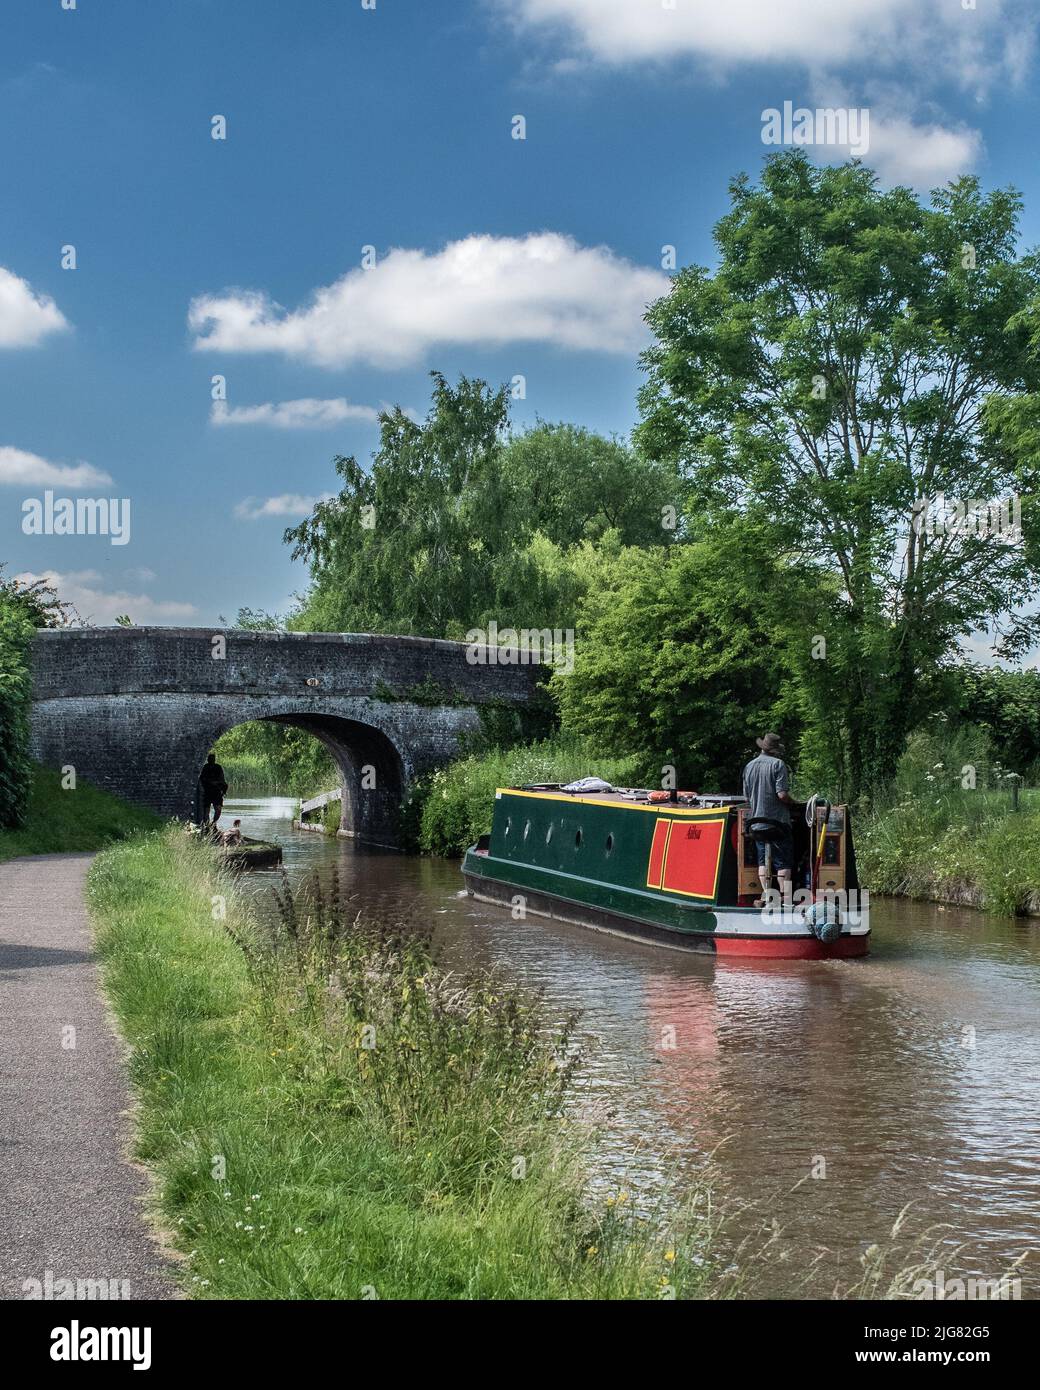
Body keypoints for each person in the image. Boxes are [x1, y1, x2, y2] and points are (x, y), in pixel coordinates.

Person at [742, 733, 796, 908]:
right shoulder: (778, 765)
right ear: (775, 750)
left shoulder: (749, 766)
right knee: (783, 861)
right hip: (777, 823)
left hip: (755, 823)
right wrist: (793, 801)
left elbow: (747, 798)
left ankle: (766, 895)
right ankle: (785, 899)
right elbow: (782, 795)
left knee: (762, 859)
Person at [198, 752, 228, 828]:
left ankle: (213, 824)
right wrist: (210, 783)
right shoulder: (205, 767)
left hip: (216, 792)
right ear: (208, 760)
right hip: (207, 791)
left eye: (213, 759)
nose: (211, 760)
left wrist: (223, 789)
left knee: (218, 810)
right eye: (210, 759)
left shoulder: (218, 767)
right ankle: (206, 826)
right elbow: (202, 779)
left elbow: (222, 779)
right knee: (206, 811)